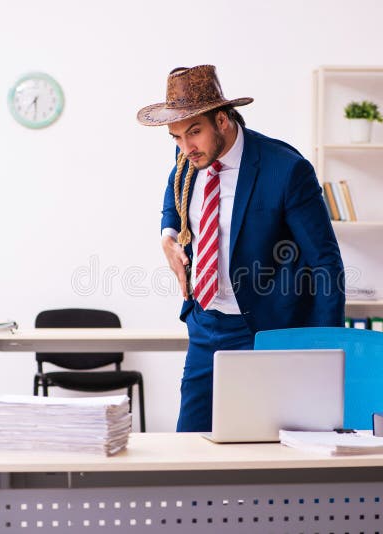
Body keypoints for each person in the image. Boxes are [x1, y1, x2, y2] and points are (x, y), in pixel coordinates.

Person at [137, 65, 344, 432]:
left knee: (260, 446)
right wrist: (167, 234)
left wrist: (325, 353)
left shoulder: (287, 169)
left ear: (222, 120)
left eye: (194, 132)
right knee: (190, 443)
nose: (186, 147)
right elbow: (175, 190)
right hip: (205, 324)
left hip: (266, 330)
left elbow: (325, 261)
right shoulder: (188, 160)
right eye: (176, 137)